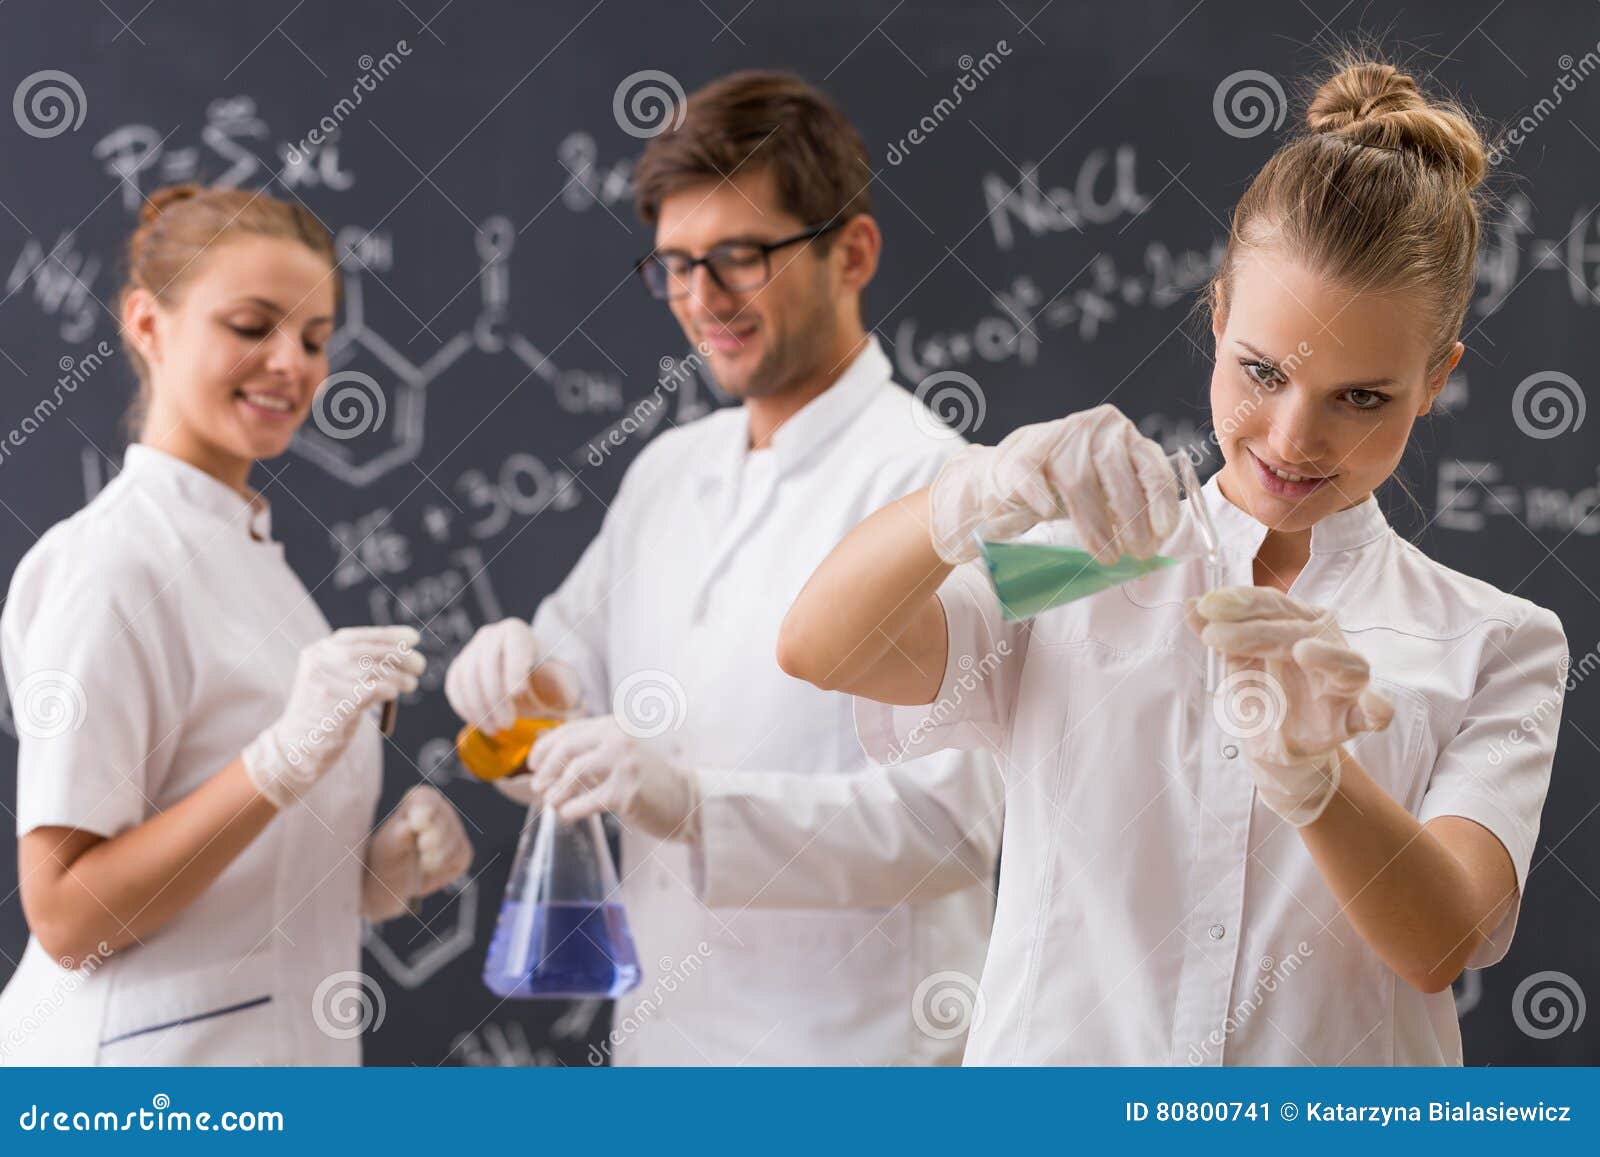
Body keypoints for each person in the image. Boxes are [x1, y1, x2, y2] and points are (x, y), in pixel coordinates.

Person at [778, 58, 1569, 1065]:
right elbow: (820, 647)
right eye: (1263, 371)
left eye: (1362, 397)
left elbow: (1442, 941)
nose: (1294, 436)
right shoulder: (1082, 563)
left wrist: (1320, 781)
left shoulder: (1495, 641)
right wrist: (964, 498)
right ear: (1218, 317)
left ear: (1436, 380)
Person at [445, 72, 1003, 1065]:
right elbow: (564, 705)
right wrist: (515, 695)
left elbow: (954, 822)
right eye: (674, 264)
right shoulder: (669, 473)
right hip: (662, 1051)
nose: (701, 298)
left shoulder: (938, 486)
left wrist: (696, 805)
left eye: (739, 256)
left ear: (851, 252)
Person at [0, 185, 472, 1066]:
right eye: (253, 326)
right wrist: (278, 760)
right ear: (148, 324)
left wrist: (366, 878)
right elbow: (66, 914)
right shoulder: (111, 566)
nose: (292, 363)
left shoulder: (260, 565)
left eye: (315, 339)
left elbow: (230, 870)